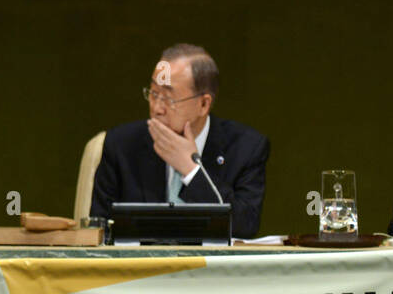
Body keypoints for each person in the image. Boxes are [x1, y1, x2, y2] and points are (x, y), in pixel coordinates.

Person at [91, 44, 270, 239]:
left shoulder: (246, 147)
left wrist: (192, 171)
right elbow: (99, 230)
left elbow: (245, 227)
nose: (157, 108)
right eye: (153, 93)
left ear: (203, 104)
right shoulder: (122, 145)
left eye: (169, 99)